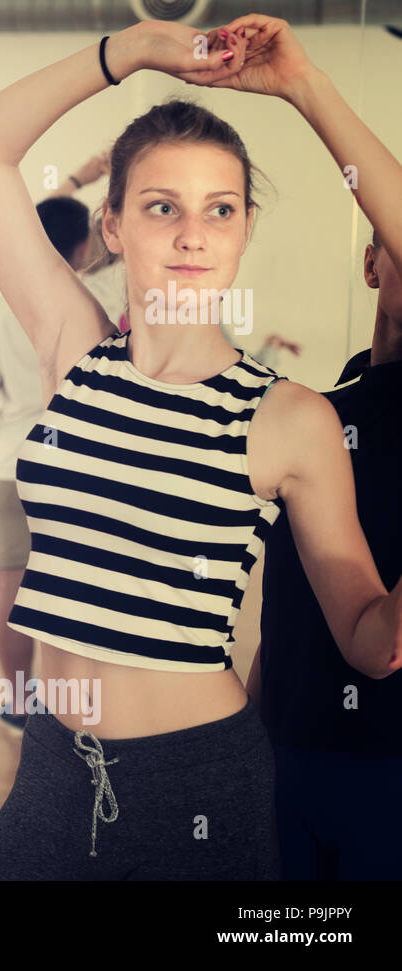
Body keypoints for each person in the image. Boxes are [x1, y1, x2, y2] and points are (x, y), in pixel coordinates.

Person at [0, 14, 402, 879]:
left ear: (243, 229)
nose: (193, 234)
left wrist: (304, 88)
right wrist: (137, 49)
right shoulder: (71, 348)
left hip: (198, 785)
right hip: (50, 767)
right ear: (112, 225)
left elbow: (368, 637)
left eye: (218, 209)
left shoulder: (288, 417)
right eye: (162, 207)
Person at [250, 227, 402, 879]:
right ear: (371, 262)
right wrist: (248, 738)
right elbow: (288, 600)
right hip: (287, 756)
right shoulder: (315, 416)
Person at [0, 196, 107, 734]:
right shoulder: (94, 302)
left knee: (8, 582)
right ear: (81, 246)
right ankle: (71, 704)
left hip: (8, 464)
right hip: (73, 468)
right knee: (68, 586)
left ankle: (19, 702)